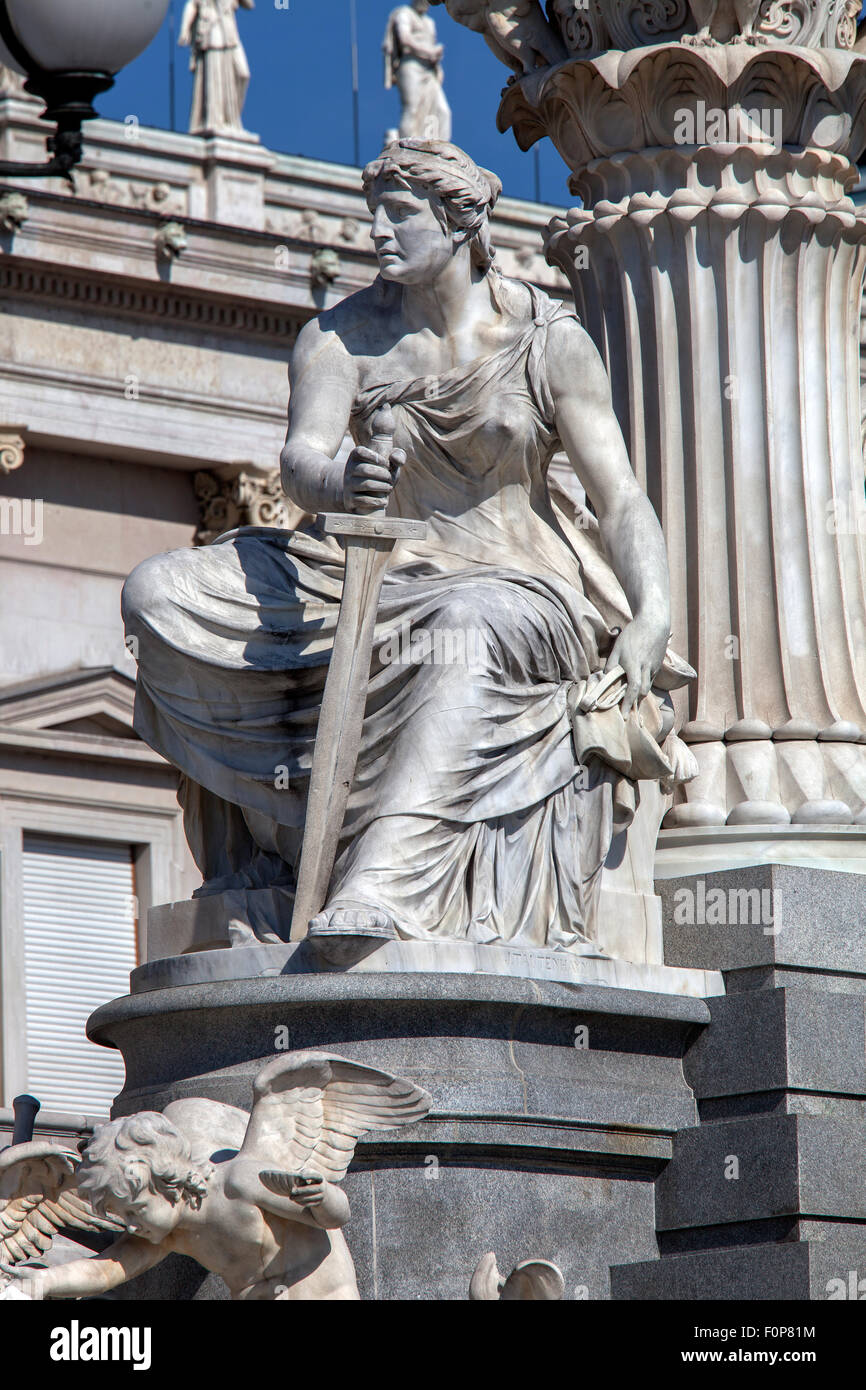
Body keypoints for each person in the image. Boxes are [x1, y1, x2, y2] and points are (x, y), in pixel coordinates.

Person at [122, 139, 692, 953]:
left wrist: (653, 612)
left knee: (462, 624)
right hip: (358, 565)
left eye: (399, 215)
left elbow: (621, 496)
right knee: (156, 594)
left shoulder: (548, 342)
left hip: (514, 577)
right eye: (372, 215)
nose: (377, 234)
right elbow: (302, 461)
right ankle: (273, 846)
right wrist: (344, 482)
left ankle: (387, 882)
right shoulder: (340, 337)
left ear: (461, 222)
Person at [384, 1, 452, 141]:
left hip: (429, 69)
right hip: (411, 65)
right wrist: (429, 51)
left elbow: (431, 44)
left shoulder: (429, 22)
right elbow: (405, 39)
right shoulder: (404, 13)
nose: (426, 4)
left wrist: (437, 65)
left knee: (441, 111)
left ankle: (436, 147)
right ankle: (407, 146)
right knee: (412, 107)